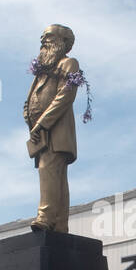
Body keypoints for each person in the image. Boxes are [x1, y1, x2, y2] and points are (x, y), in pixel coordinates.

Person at [23, 24, 81, 232]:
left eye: (48, 36)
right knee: (56, 178)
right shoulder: (42, 72)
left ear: (62, 41)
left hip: (56, 131)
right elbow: (31, 98)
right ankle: (60, 225)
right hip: (41, 134)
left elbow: (65, 96)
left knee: (49, 169)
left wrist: (42, 122)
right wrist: (28, 116)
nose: (42, 40)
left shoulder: (68, 64)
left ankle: (45, 217)